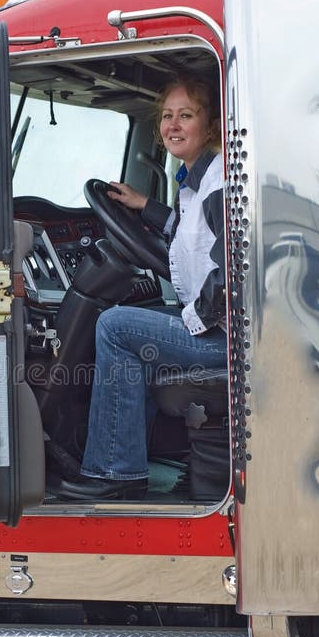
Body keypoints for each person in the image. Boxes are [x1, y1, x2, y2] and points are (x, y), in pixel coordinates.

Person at [59, 76, 227, 500]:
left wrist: (193, 319)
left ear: (209, 126)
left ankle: (114, 470)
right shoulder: (195, 182)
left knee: (115, 326)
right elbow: (189, 233)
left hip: (226, 337)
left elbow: (235, 265)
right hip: (218, 327)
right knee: (137, 325)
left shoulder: (220, 182)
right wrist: (142, 206)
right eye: (167, 117)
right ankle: (135, 459)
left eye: (186, 116)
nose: (173, 125)